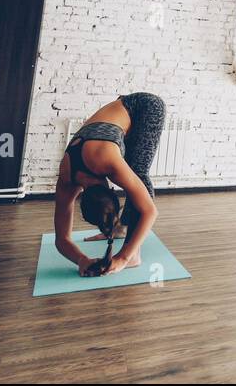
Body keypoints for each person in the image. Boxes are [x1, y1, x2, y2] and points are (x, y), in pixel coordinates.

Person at [52, 93, 165, 276]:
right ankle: (119, 229)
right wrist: (82, 260)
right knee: (134, 181)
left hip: (145, 108)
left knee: (139, 174)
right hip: (119, 118)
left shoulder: (106, 163)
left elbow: (149, 211)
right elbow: (62, 239)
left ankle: (134, 254)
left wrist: (123, 257)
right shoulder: (67, 179)